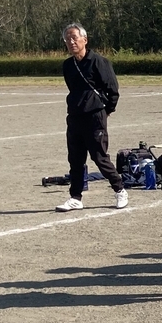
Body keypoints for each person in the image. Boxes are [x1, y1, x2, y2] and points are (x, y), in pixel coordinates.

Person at [55, 23, 128, 212]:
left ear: (84, 40)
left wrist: (106, 111)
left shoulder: (98, 61)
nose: (71, 42)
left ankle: (120, 189)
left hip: (95, 116)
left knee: (99, 157)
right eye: (67, 39)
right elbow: (73, 89)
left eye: (74, 38)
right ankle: (75, 197)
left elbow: (112, 90)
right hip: (75, 116)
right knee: (75, 159)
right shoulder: (68, 65)